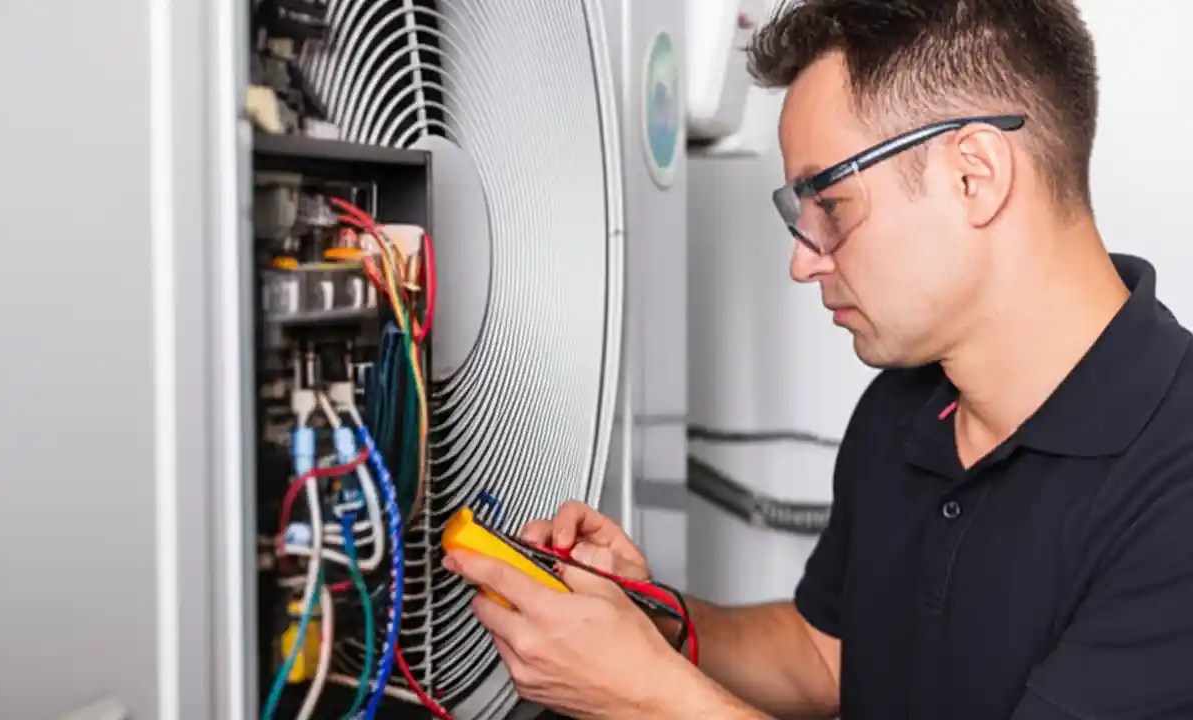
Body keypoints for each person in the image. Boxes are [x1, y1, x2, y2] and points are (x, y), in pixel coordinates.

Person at [445, 0, 1193, 717]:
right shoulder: (906, 403)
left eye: (830, 205)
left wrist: (643, 697)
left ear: (976, 175)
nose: (803, 265)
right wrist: (650, 621)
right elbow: (826, 653)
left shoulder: (1174, 484)